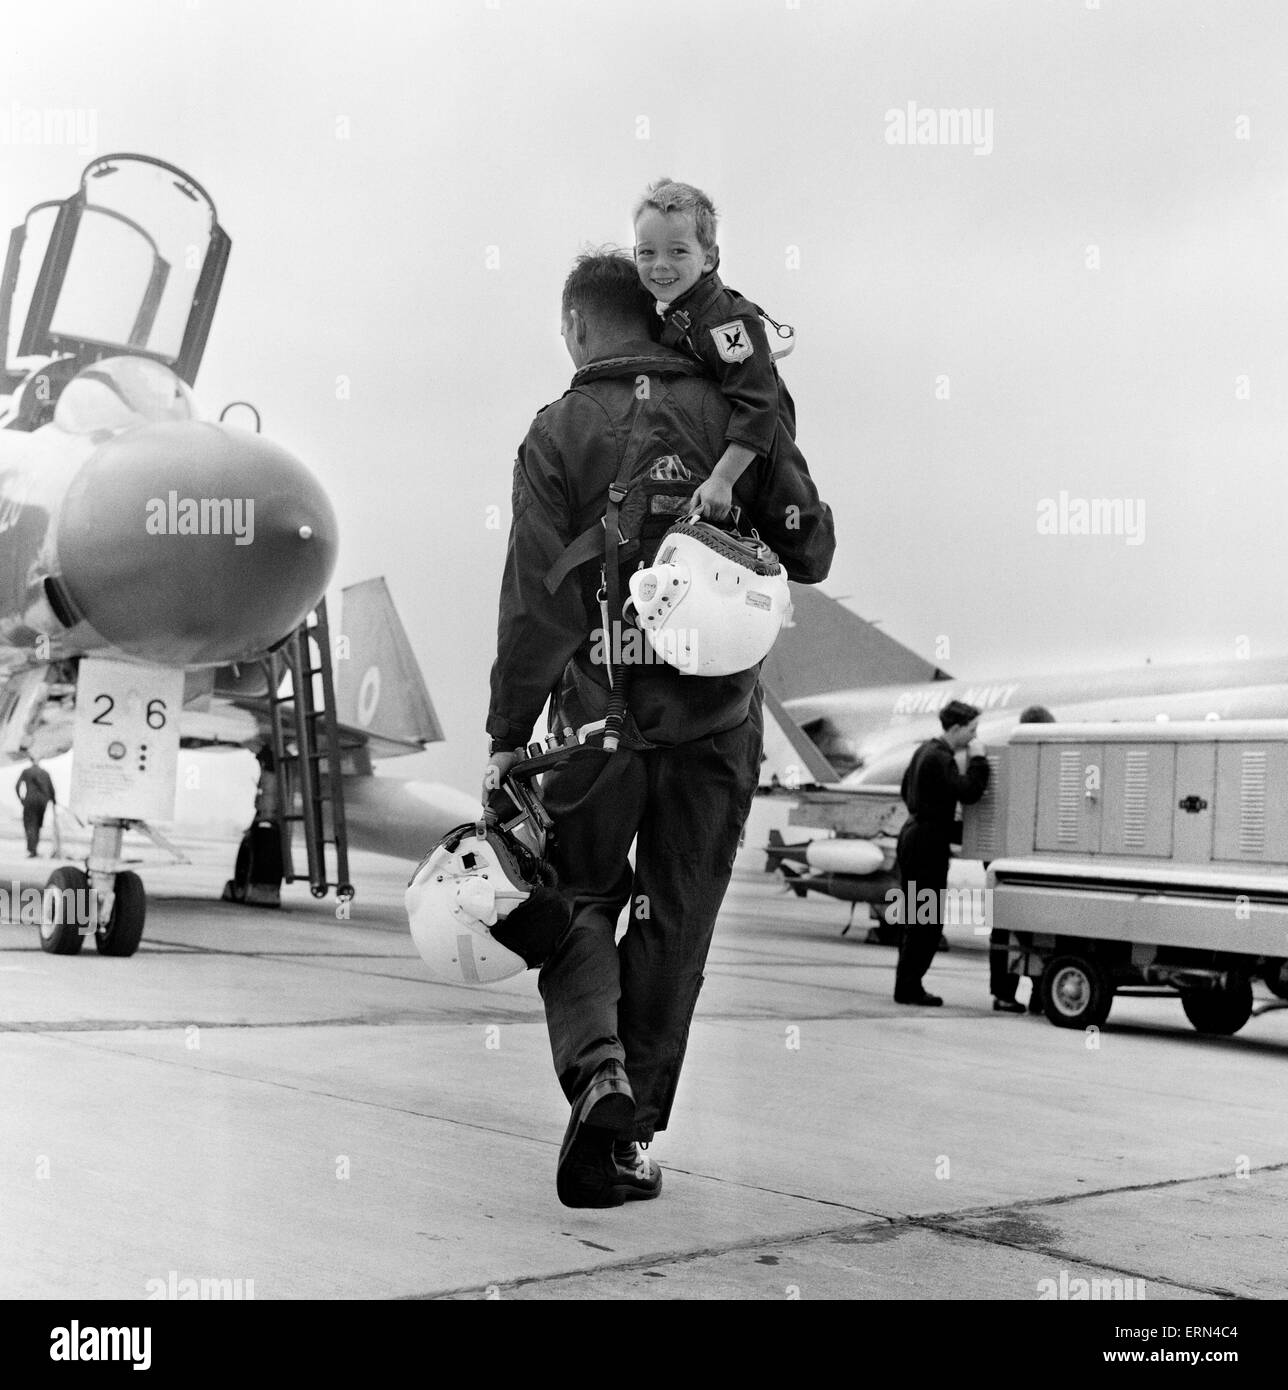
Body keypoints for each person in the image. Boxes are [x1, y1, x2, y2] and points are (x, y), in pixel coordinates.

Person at [484, 250, 835, 1208]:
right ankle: (623, 1143)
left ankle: (597, 1071)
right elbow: (812, 547)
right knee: (673, 926)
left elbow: (533, 603)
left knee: (579, 896)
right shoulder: (740, 411)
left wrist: (509, 733)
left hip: (597, 721)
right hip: (715, 726)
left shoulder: (557, 432)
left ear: (576, 328)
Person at [633, 179, 800, 521]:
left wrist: (723, 480)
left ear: (709, 258)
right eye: (646, 252)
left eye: (677, 251)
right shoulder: (665, 312)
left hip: (746, 473)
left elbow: (758, 407)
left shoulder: (728, 322)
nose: (660, 265)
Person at [893, 701, 989, 1005]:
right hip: (928, 844)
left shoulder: (924, 751)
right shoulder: (940, 756)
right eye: (972, 730)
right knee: (928, 921)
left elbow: (905, 788)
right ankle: (909, 987)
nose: (974, 737)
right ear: (956, 728)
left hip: (912, 836)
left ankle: (906, 984)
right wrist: (979, 762)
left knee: (914, 917)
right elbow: (969, 791)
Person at [990, 705, 1057, 1013]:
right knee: (1040, 927)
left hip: (1007, 857)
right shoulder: (1045, 763)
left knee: (1008, 928)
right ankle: (1036, 995)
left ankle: (1009, 994)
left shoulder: (1004, 762)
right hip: (1026, 858)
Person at [15, 753, 56, 858]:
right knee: (37, 825)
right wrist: (53, 800)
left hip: (29, 801)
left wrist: (21, 799)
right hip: (42, 802)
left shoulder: (26, 772)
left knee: (29, 825)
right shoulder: (45, 773)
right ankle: (34, 850)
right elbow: (51, 789)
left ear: (31, 760)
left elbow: (17, 786)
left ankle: (32, 850)